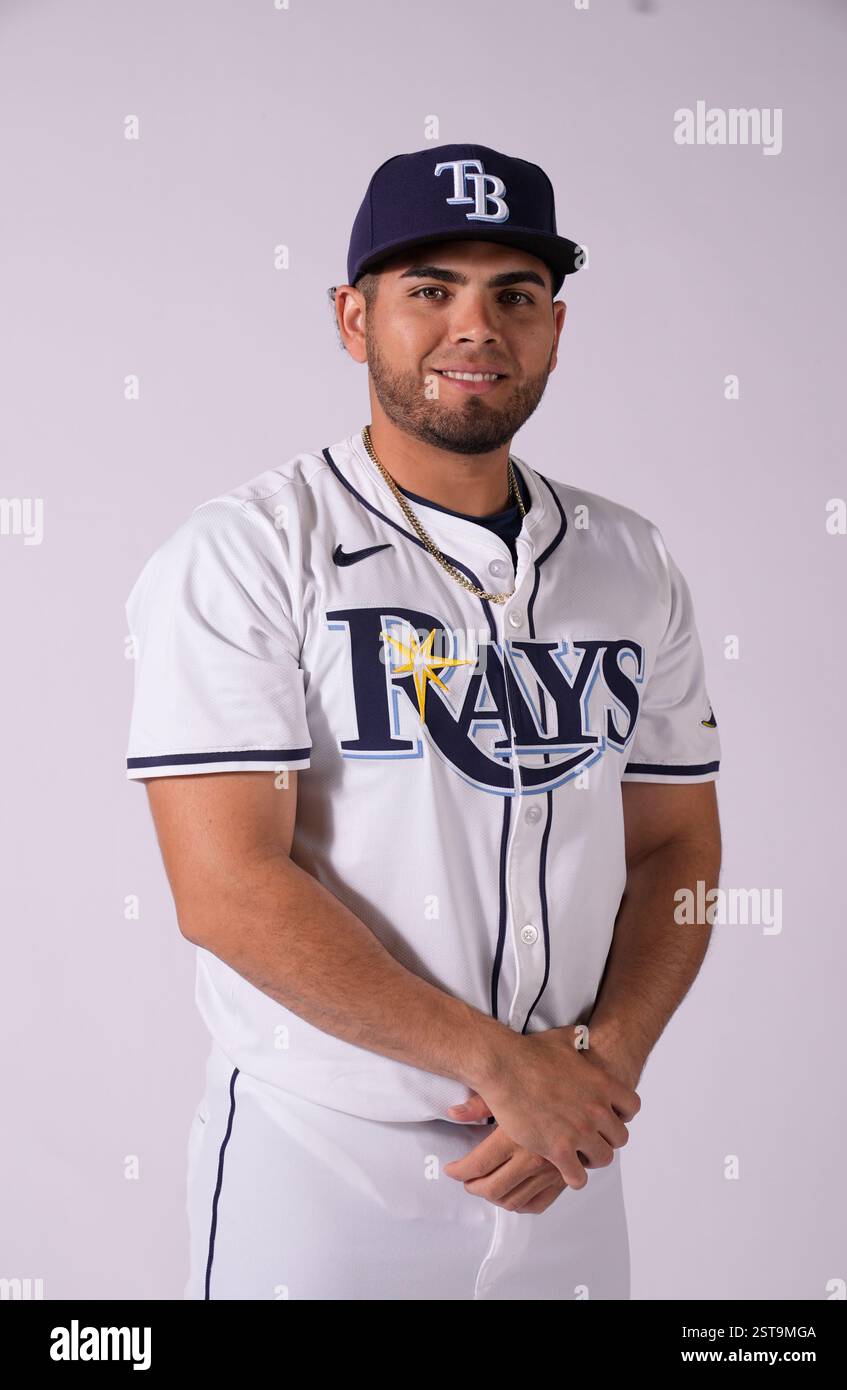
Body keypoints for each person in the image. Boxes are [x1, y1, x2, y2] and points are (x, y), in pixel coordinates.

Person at [124, 142, 722, 1301]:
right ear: (352, 319)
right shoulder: (247, 552)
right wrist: (503, 1065)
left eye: (515, 293)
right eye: (428, 288)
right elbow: (227, 885)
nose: (476, 325)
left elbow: (676, 849)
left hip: (560, 1168)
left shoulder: (630, 559)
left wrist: (600, 1064)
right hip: (319, 1169)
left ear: (555, 327)